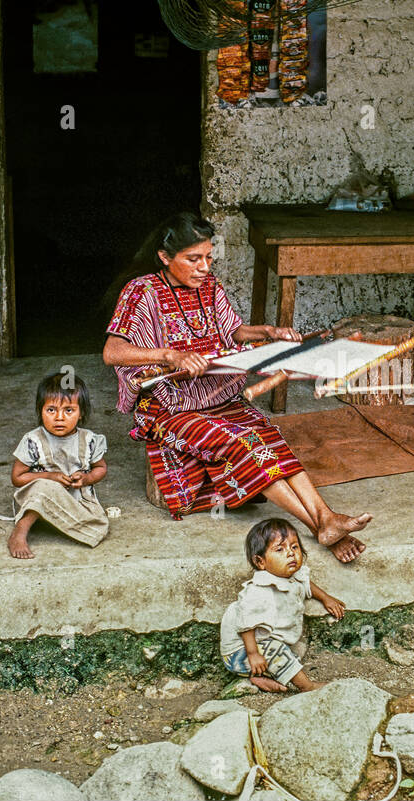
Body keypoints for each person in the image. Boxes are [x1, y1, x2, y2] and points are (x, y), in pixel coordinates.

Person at [102, 211, 372, 563]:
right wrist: (172, 355)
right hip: (169, 408)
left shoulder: (210, 287)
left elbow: (232, 333)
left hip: (218, 395)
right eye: (193, 259)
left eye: (209, 258)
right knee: (242, 443)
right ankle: (318, 524)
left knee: (270, 436)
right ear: (165, 258)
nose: (204, 267)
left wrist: (269, 333)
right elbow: (113, 352)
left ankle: (327, 517)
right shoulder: (141, 292)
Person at [220, 518, 345, 692]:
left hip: (260, 644)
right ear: (260, 562)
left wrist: (325, 598)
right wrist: (253, 654)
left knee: (294, 651)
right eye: (280, 549)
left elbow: (306, 583)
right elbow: (245, 624)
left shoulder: (291, 574)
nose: (291, 553)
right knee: (277, 652)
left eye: (294, 547)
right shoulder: (259, 591)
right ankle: (306, 686)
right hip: (239, 652)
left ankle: (259, 678)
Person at [8, 372, 109, 559]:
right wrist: (49, 477)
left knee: (99, 525)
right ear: (40, 411)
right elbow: (17, 477)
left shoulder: (89, 440)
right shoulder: (33, 440)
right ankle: (20, 532)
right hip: (36, 504)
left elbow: (100, 468)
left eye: (69, 410)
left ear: (81, 414)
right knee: (44, 488)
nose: (59, 417)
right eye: (51, 410)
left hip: (73, 502)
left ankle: (60, 523)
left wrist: (87, 478)